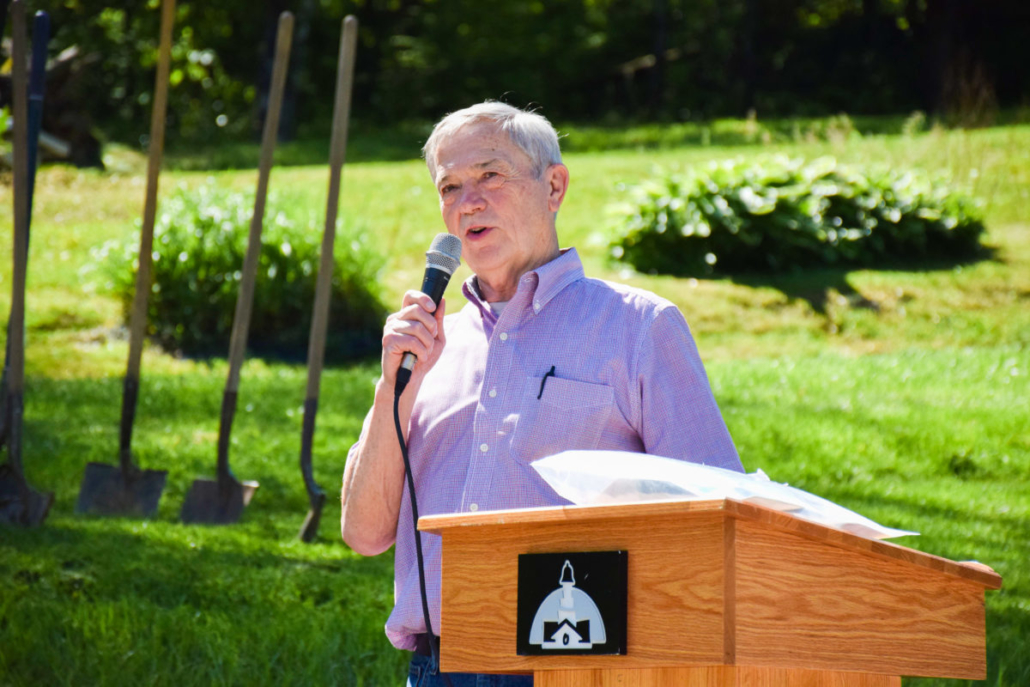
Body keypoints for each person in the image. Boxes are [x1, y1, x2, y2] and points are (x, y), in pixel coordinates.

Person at [340, 101, 742, 687]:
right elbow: (364, 532)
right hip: (438, 665)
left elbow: (716, 515)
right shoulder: (428, 345)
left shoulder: (637, 327)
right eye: (449, 186)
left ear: (553, 186)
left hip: (578, 662)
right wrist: (394, 386)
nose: (467, 201)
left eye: (489, 175)